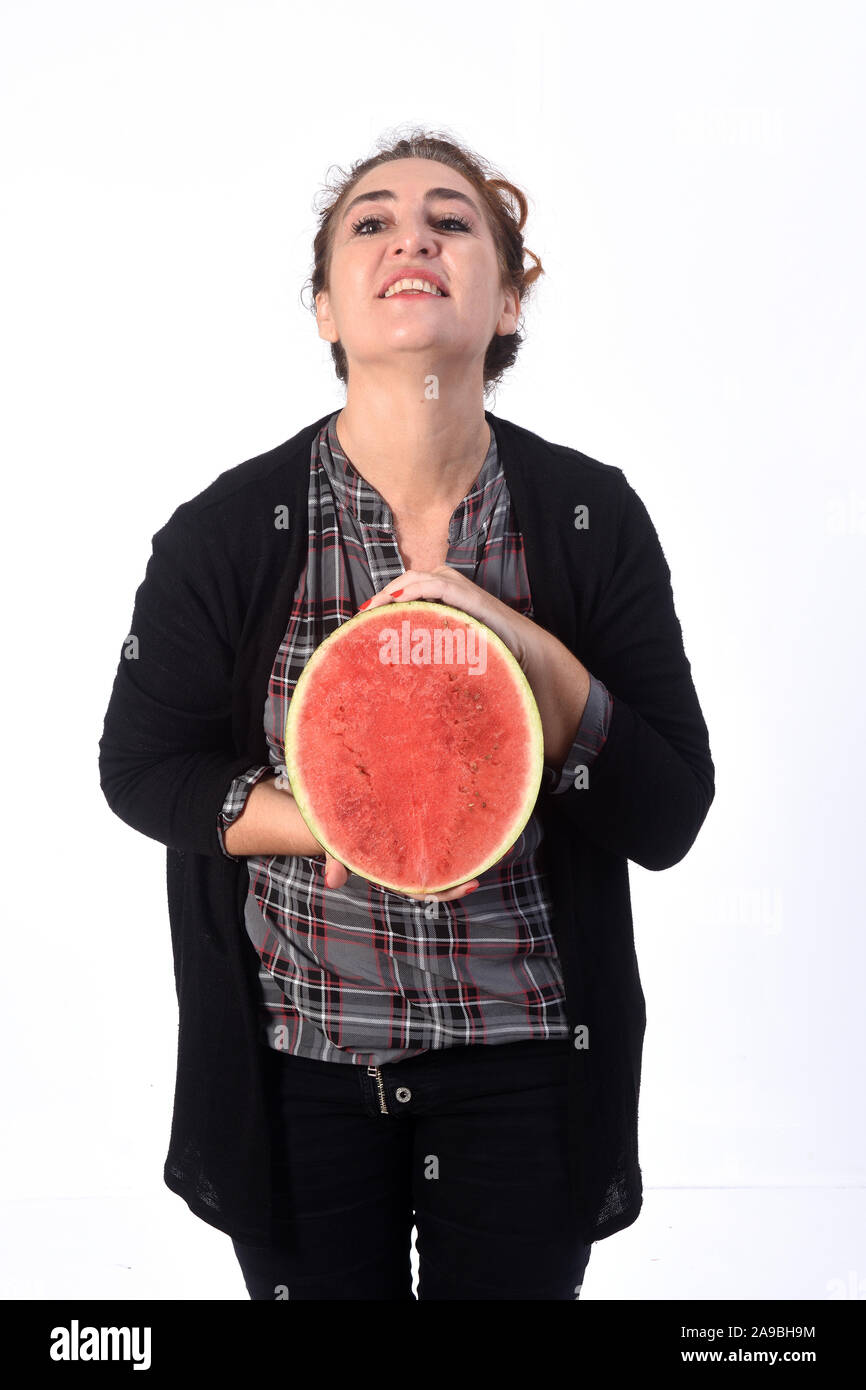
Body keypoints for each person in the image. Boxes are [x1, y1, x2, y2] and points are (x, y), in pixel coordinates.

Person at [98, 127, 715, 1301]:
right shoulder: (227, 531)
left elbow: (669, 810)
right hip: (301, 1068)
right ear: (326, 308)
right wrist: (331, 822)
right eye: (370, 223)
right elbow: (141, 767)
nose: (410, 237)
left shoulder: (589, 520)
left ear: (509, 299)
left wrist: (526, 648)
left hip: (527, 1064)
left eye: (452, 219)